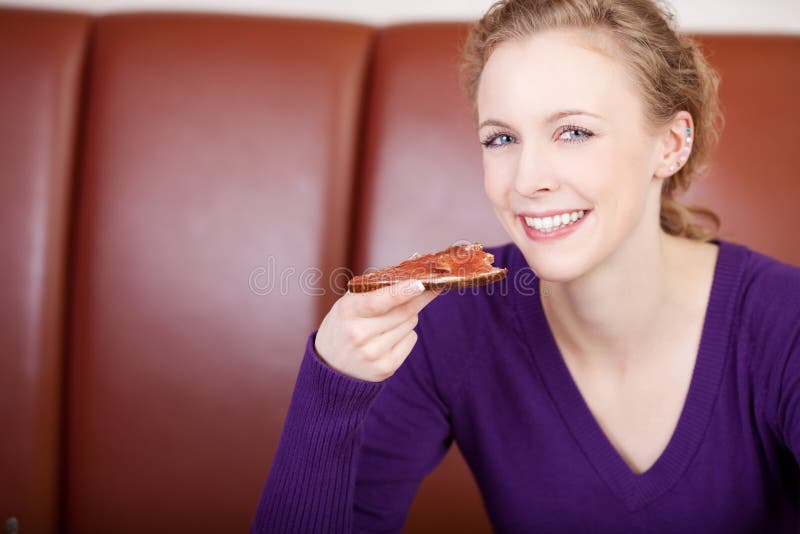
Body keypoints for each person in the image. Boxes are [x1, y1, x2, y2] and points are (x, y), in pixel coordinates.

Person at [252, 0, 800, 531]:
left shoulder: (784, 322)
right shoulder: (448, 324)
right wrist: (334, 384)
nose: (526, 179)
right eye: (502, 139)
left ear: (671, 144)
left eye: (574, 132)